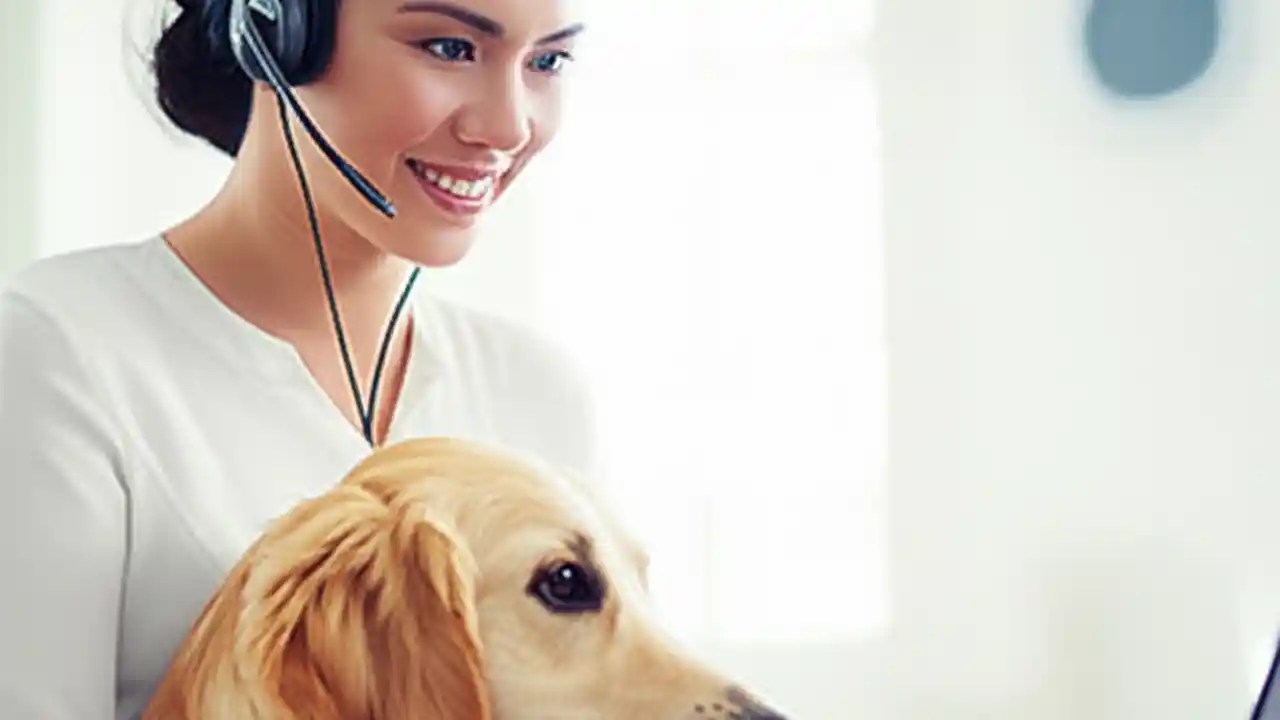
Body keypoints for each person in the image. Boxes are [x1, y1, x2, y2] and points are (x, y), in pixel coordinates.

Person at [0, 0, 597, 716]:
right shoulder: (58, 351)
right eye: (448, 47)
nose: (508, 127)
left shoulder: (536, 393)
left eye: (547, 61)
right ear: (276, 29)